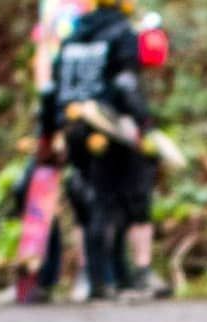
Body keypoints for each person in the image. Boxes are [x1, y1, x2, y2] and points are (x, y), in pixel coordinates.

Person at [38, 0, 168, 300]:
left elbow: (51, 90)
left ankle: (97, 277)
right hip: (108, 130)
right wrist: (146, 127)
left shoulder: (73, 35)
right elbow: (125, 85)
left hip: (72, 128)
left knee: (88, 201)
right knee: (121, 201)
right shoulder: (122, 32)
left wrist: (47, 134)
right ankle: (126, 277)